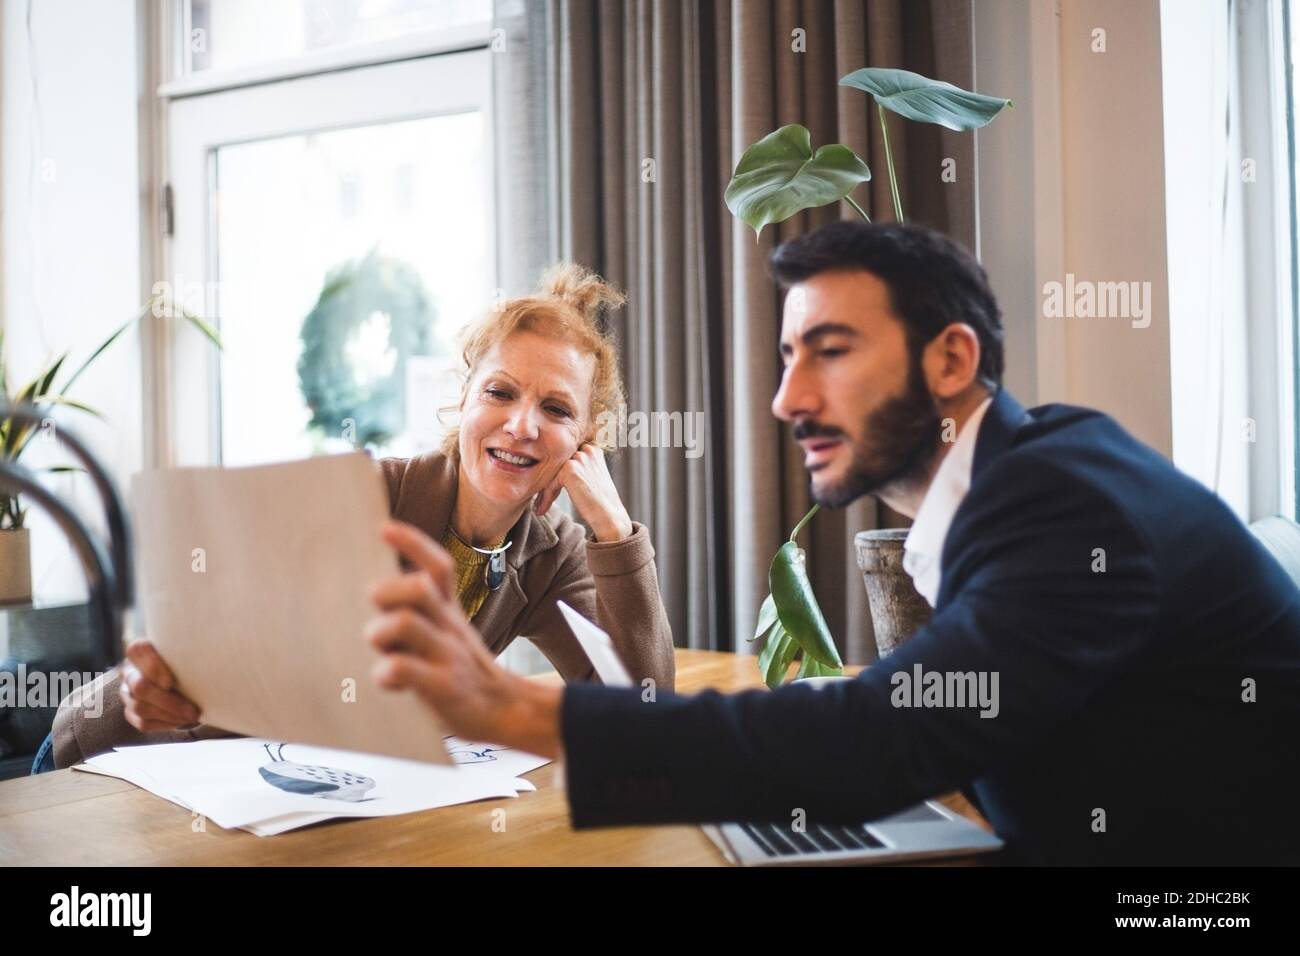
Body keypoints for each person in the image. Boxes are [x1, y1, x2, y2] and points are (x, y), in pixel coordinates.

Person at [364, 221, 1300, 865]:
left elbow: (882, 741)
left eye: (832, 350)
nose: (788, 399)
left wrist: (513, 711)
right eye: (787, 358)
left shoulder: (1066, 507)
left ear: (951, 360)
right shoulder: (1018, 486)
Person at [49, 264, 674, 769]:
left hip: (279, 798)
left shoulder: (549, 554)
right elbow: (193, 646)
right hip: (119, 757)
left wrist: (614, 532)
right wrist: (154, 680)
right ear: (465, 398)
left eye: (557, 409)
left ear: (587, 442)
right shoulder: (365, 494)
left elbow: (641, 710)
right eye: (500, 391)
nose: (521, 425)